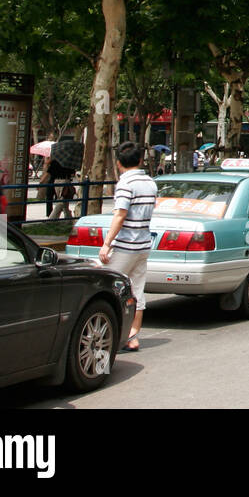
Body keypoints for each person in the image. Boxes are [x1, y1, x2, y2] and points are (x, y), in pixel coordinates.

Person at [98, 142, 157, 352]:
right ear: (140, 160)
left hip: (125, 246)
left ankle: (107, 334)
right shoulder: (150, 183)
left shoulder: (125, 184)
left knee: (106, 288)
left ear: (119, 163)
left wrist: (106, 244)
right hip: (142, 245)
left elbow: (120, 214)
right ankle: (133, 337)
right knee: (136, 291)